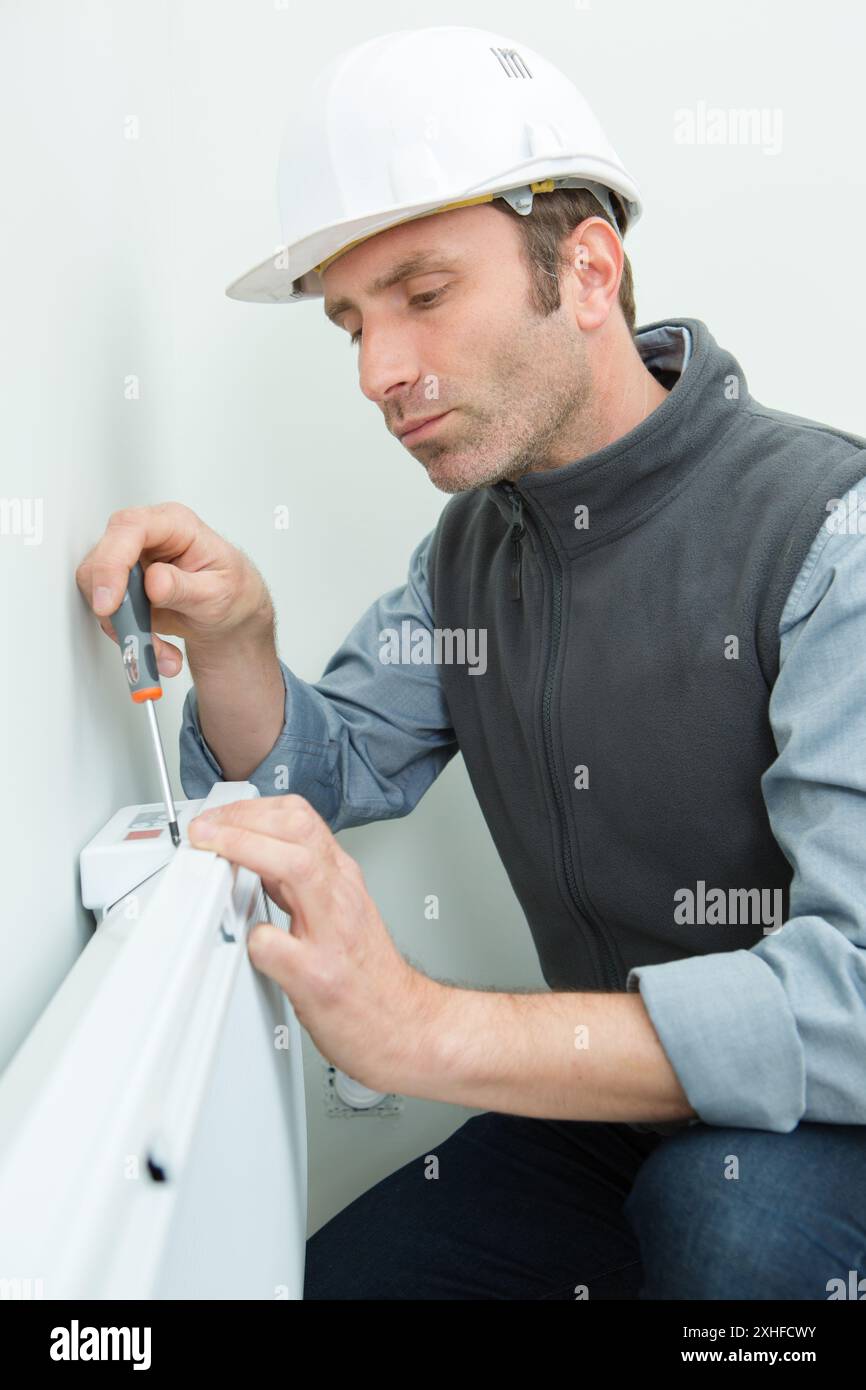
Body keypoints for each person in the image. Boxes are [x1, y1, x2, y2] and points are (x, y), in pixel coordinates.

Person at [76, 26, 866, 1299]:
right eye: (350, 325)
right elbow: (316, 773)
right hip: (615, 1117)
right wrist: (237, 643)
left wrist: (424, 1028)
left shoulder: (832, 529)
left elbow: (857, 998)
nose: (380, 372)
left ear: (589, 270)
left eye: (423, 294)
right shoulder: (472, 552)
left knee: (731, 1242)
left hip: (825, 1129)